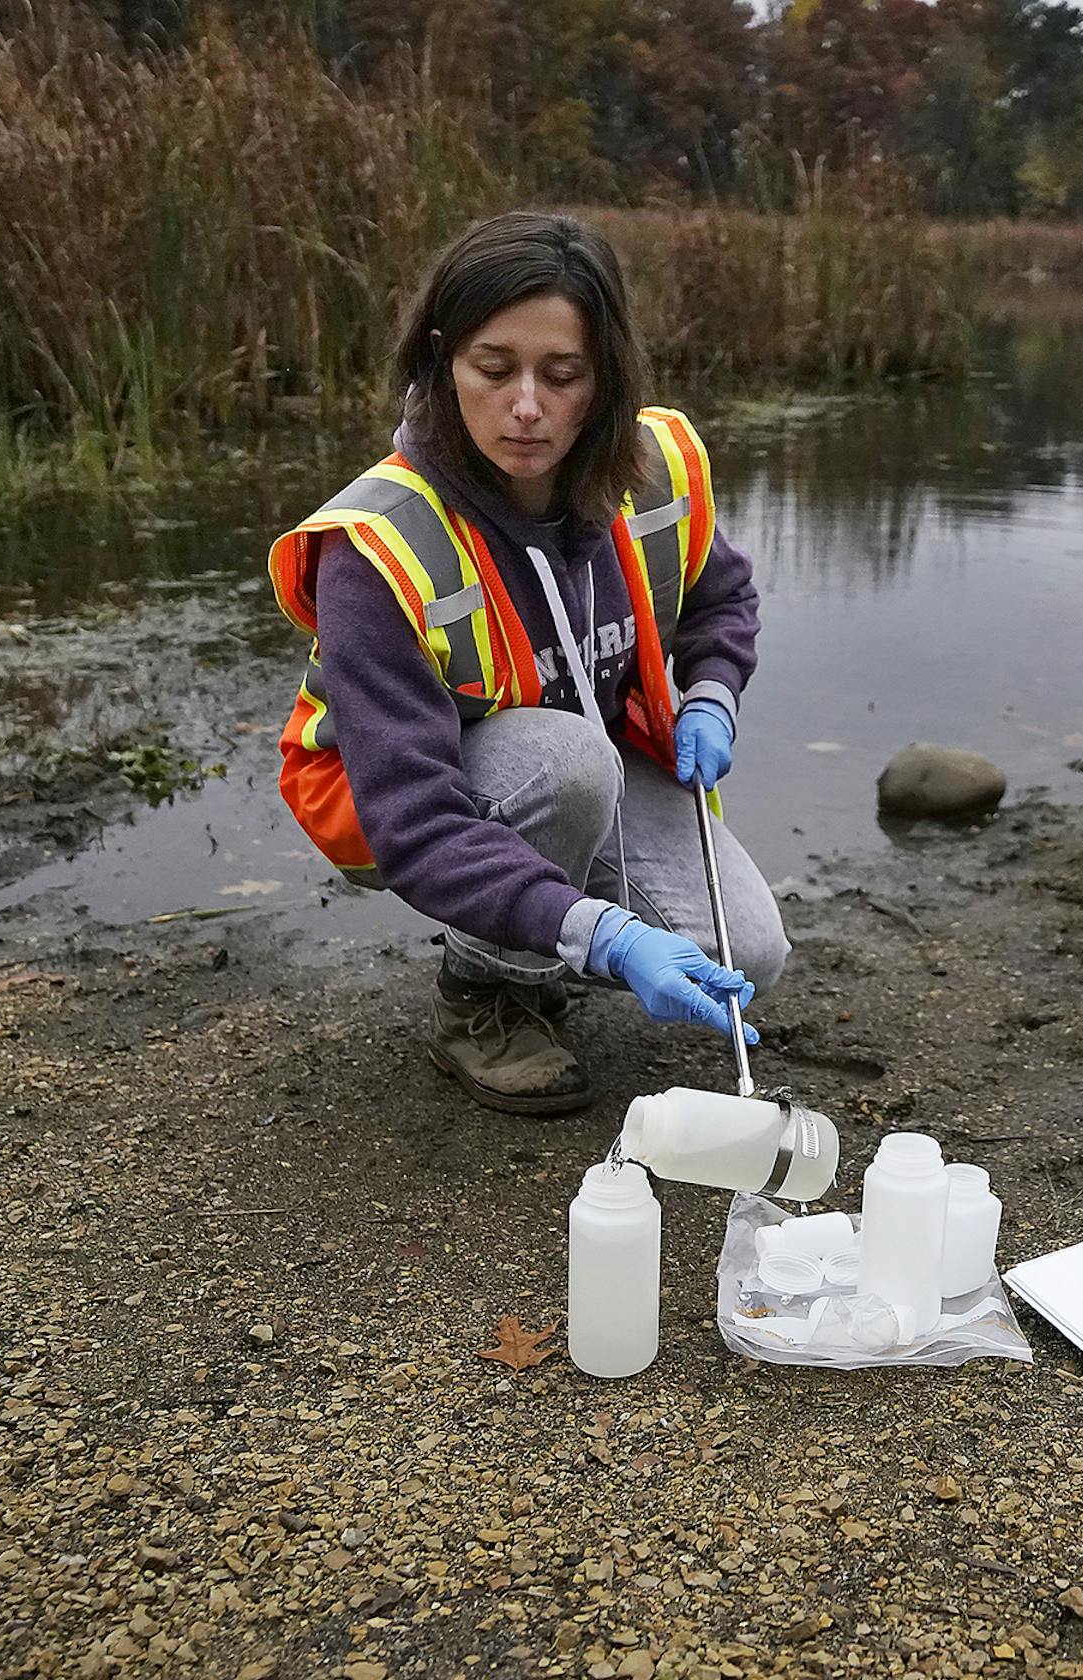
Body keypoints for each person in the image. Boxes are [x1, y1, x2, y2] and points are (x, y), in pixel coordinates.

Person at [267, 211, 787, 1116]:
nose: (526, 408)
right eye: (492, 368)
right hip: (401, 795)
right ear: (442, 361)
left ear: (606, 376)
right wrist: (607, 937)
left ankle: (539, 918)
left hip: (590, 758)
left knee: (749, 953)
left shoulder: (652, 467)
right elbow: (418, 819)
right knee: (565, 767)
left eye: (563, 375)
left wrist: (711, 695)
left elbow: (719, 600)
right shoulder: (379, 546)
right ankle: (487, 997)